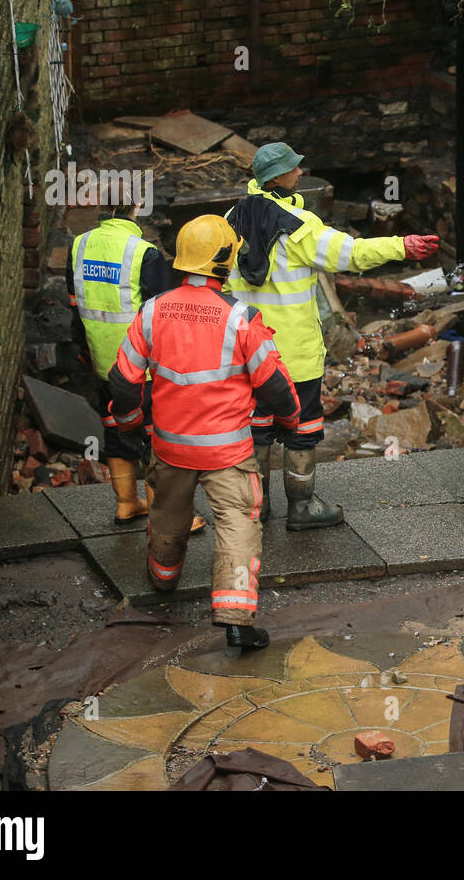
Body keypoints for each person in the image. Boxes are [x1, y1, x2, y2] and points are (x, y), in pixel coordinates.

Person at [108, 215, 300, 649]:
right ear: (225, 262)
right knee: (238, 522)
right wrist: (289, 421)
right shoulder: (240, 317)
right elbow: (273, 384)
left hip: (170, 445)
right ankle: (235, 618)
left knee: (168, 514)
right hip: (228, 452)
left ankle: (162, 580)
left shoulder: (152, 310)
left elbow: (123, 380)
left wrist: (128, 422)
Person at [225, 142, 440, 528]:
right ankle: (302, 508)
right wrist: (401, 246)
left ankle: (255, 507)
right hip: (293, 354)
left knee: (254, 428)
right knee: (301, 429)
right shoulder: (298, 226)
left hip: (245, 351)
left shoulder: (230, 218)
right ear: (278, 177)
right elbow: (351, 254)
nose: (300, 173)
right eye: (294, 168)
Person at [67, 201, 203, 532]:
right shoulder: (144, 254)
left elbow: (74, 303)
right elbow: (164, 313)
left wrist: (84, 350)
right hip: (142, 366)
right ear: (136, 207)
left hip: (102, 360)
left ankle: (126, 504)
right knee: (156, 435)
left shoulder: (79, 245)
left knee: (115, 427)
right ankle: (163, 513)